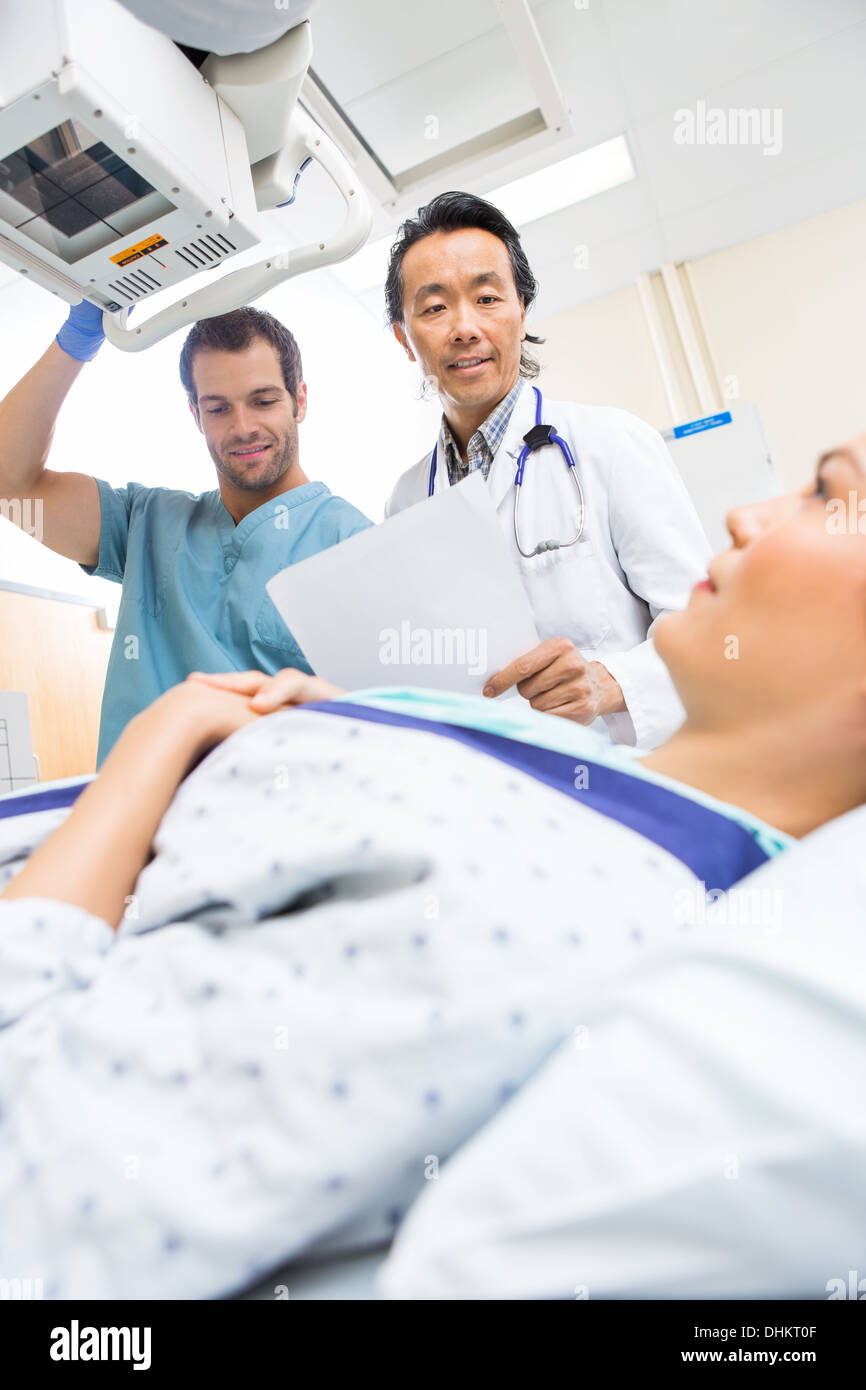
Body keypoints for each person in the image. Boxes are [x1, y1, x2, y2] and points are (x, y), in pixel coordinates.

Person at [0, 429, 862, 1298]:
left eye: (828, 495)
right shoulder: (588, 800)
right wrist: (366, 724)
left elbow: (48, 1193)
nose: (745, 514)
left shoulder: (518, 915)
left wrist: (160, 742)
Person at [383, 192, 713, 751]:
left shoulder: (610, 444)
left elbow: (708, 629)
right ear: (403, 336)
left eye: (487, 298)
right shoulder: (407, 500)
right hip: (499, 788)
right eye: (435, 307)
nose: (464, 327)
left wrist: (610, 683)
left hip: (625, 772)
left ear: (521, 310)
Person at [0, 303, 372, 766]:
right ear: (196, 415)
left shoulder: (356, 546)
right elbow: (10, 482)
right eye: (218, 408)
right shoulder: (146, 523)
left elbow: (379, 732)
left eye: (263, 400)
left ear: (300, 400)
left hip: (271, 823)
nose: (243, 427)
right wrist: (76, 341)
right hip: (128, 824)